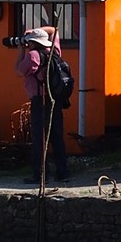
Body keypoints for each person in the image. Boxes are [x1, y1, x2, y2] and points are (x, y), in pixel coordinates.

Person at [16, 26, 71, 183]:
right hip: (55, 99)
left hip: (40, 100)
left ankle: (41, 175)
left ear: (32, 43)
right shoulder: (55, 51)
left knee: (39, 138)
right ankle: (63, 172)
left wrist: (21, 51)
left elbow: (19, 71)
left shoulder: (32, 55)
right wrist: (35, 30)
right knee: (57, 136)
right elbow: (54, 30)